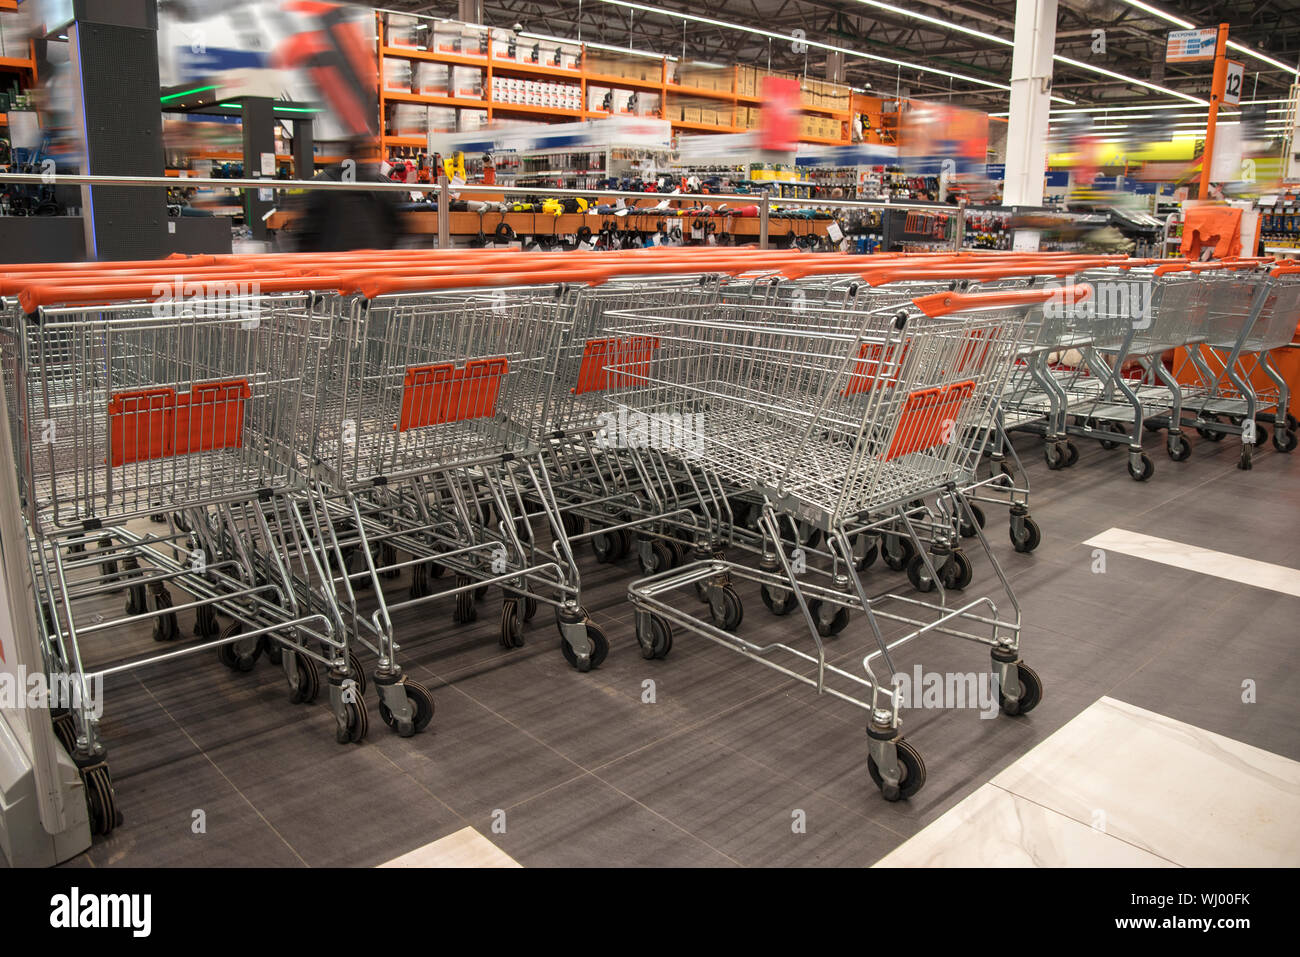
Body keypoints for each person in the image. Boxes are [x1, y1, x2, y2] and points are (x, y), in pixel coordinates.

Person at [293, 136, 405, 252]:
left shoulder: (319, 183)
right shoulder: (382, 184)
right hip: (373, 262)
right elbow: (397, 226)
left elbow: (307, 233)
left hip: (332, 262)